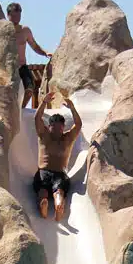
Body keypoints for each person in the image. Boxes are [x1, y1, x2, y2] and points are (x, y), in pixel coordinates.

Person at [34, 91, 81, 221]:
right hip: (44, 172)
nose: (58, 131)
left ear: (63, 128)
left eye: (60, 129)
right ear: (49, 127)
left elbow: (78, 125)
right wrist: (43, 102)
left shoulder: (67, 137)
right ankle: (54, 203)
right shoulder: (44, 134)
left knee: (54, 188)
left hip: (59, 174)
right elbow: (37, 118)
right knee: (48, 188)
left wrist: (72, 108)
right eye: (55, 128)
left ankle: (53, 204)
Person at [6, 2, 51, 108]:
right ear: (8, 15)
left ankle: (20, 108)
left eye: (19, 15)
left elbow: (34, 46)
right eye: (14, 15)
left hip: (22, 66)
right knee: (9, 91)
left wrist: (45, 53)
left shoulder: (25, 31)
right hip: (8, 68)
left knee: (30, 88)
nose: (17, 18)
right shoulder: (4, 31)